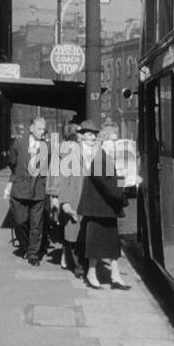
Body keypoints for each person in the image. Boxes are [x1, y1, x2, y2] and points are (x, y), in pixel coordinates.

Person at [76, 121, 130, 290]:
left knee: (112, 243)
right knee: (96, 244)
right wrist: (124, 185)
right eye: (112, 141)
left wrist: (125, 180)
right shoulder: (101, 158)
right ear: (104, 141)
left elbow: (115, 180)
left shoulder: (105, 157)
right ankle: (92, 273)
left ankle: (115, 274)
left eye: (116, 141)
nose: (115, 144)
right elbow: (107, 185)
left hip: (105, 208)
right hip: (98, 209)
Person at [5, 116, 49, 265]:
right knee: (20, 221)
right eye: (39, 128)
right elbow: (12, 162)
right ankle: (25, 246)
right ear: (31, 128)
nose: (43, 132)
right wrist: (17, 177)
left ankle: (33, 254)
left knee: (36, 224)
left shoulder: (47, 147)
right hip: (20, 189)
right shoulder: (19, 143)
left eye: (44, 129)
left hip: (38, 191)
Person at [50, 123, 85, 277]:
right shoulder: (70, 148)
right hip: (70, 193)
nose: (83, 134)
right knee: (72, 226)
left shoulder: (70, 147)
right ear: (74, 134)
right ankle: (77, 265)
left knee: (68, 226)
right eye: (80, 132)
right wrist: (59, 198)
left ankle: (66, 256)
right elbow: (58, 174)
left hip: (68, 193)